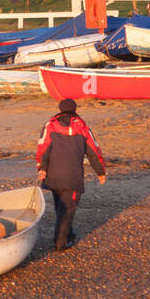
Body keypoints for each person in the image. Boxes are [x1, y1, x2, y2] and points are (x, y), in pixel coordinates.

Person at [35, 98, 106, 251]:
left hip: (53, 175)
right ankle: (60, 242)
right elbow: (93, 151)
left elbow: (43, 149)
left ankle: (69, 232)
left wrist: (41, 168)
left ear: (60, 109)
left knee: (61, 206)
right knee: (68, 208)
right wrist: (100, 172)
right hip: (72, 176)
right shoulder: (82, 126)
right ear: (74, 109)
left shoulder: (50, 125)